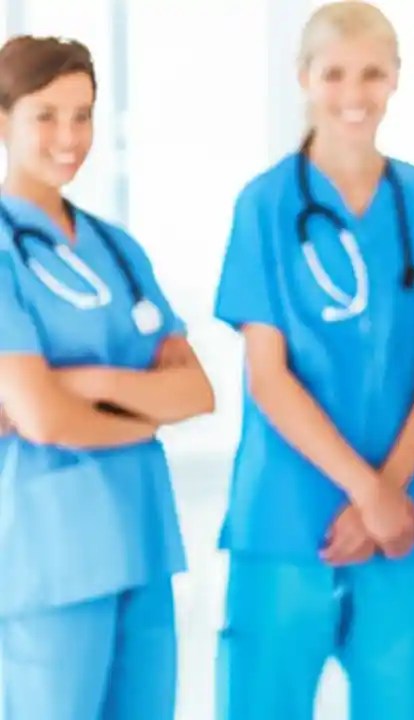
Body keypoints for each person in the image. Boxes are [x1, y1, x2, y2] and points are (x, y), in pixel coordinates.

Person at [212, 3, 414, 718]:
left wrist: (388, 492)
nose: (354, 93)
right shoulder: (263, 204)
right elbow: (268, 373)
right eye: (335, 73)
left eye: (373, 73)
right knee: (263, 703)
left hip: (403, 514)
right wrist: (370, 492)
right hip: (289, 510)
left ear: (396, 79)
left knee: (397, 704)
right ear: (304, 77)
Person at [0, 35, 215, 720]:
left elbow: (197, 392)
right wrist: (145, 414)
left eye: (84, 114)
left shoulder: (119, 250)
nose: (70, 137)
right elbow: (41, 419)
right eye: (47, 115)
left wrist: (88, 380)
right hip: (48, 557)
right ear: (3, 120)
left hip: (143, 545)